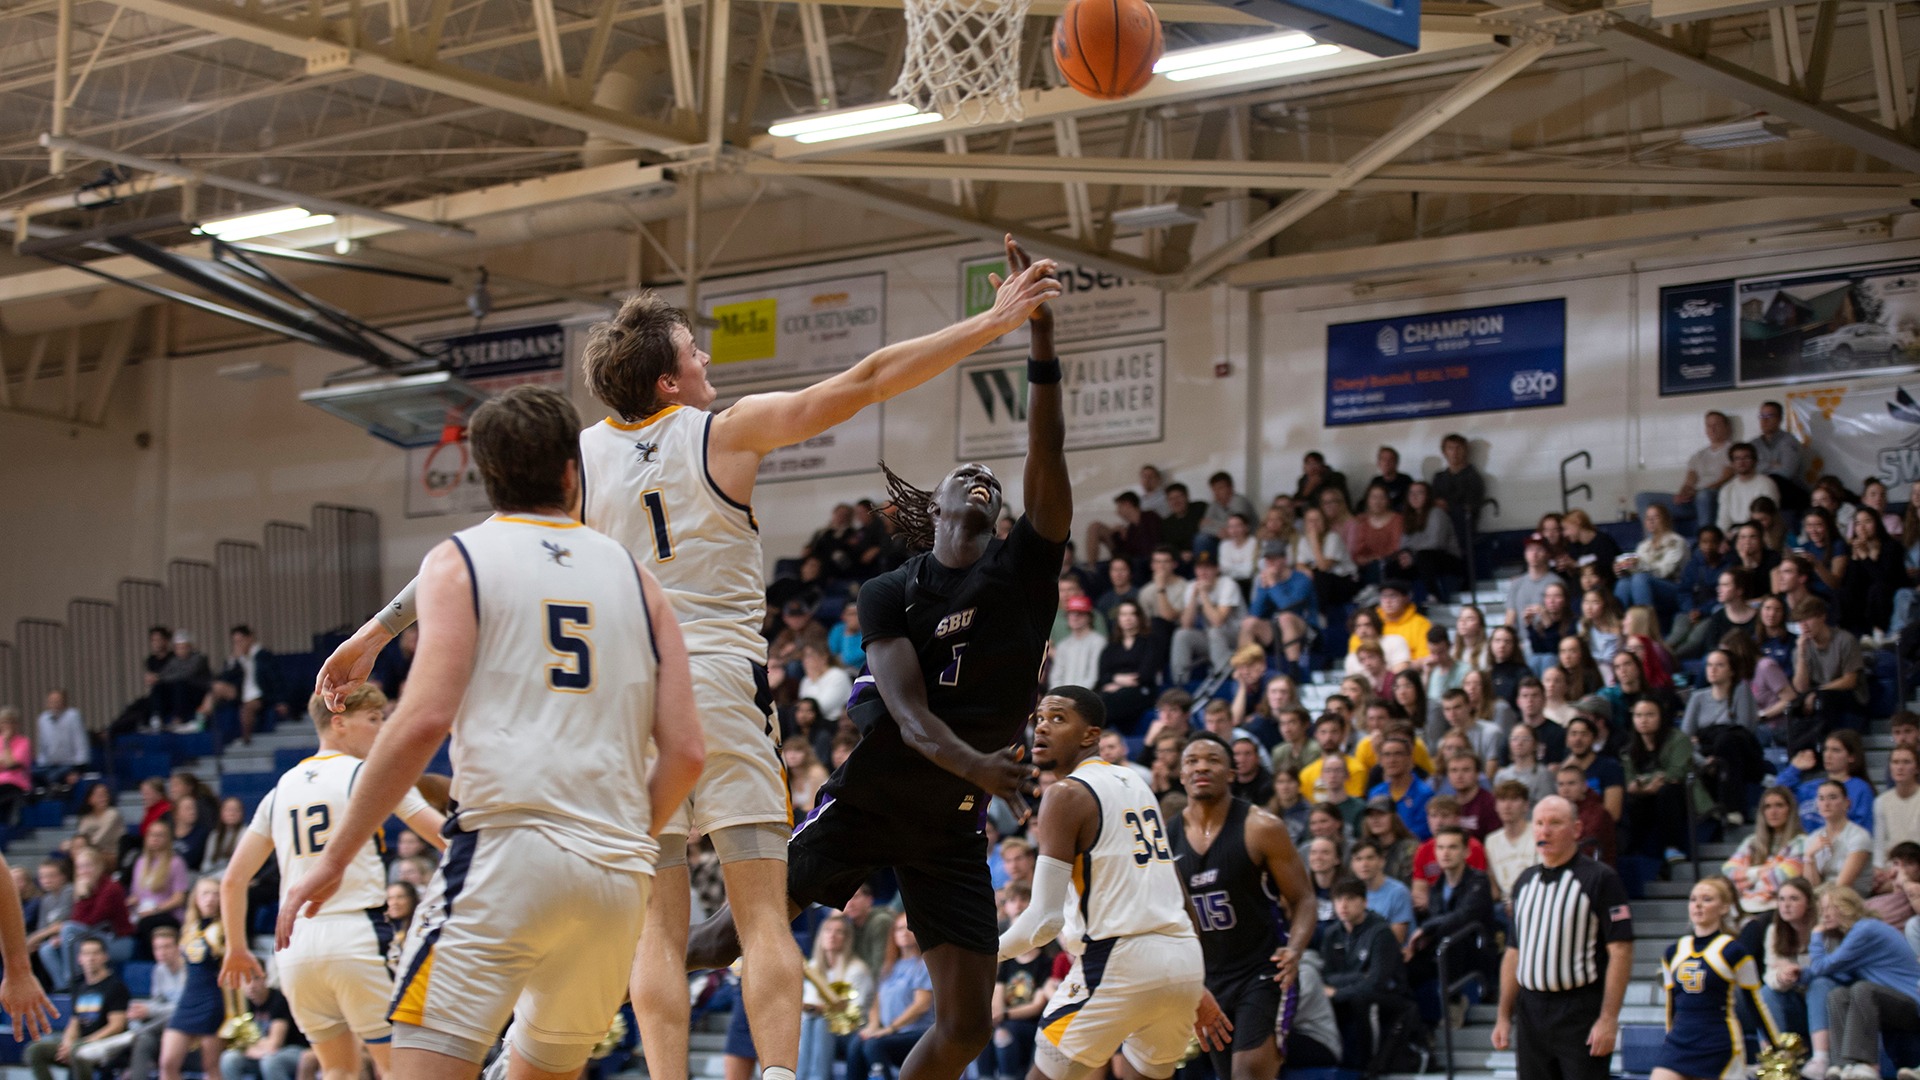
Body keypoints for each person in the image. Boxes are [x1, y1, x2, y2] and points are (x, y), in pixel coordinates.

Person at [315, 243, 1060, 1080]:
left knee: (658, 931)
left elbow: (485, 544)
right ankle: (777, 1074)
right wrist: (994, 321)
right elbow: (868, 379)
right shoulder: (725, 433)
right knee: (762, 915)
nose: (705, 360)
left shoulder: (576, 459)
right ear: (669, 382)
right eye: (692, 352)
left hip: (629, 698)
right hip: (721, 687)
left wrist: (374, 634)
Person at [685, 241, 1068, 1080]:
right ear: (933, 506)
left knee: (965, 1025)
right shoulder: (891, 590)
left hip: (952, 827)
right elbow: (907, 716)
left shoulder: (1026, 572)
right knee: (720, 940)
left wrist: (1039, 339)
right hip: (875, 797)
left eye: (991, 477)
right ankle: (595, 978)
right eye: (962, 473)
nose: (980, 475)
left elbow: (1048, 450)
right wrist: (980, 763)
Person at [283, 385, 707, 1080]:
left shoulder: (460, 558)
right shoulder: (640, 582)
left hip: (505, 856)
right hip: (614, 881)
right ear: (571, 470)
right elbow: (687, 752)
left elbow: (422, 719)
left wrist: (335, 858)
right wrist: (623, 839)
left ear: (485, 475)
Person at [217, 684, 448, 1080]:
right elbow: (444, 837)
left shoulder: (281, 788)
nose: (382, 728)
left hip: (294, 947)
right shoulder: (369, 774)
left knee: (338, 1070)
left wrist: (236, 947)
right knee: (399, 1069)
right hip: (356, 936)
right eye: (373, 719)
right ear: (338, 722)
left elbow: (233, 880)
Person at [996, 688, 1223, 1080]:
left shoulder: (1064, 793)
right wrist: (1192, 981)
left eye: (1058, 718)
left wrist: (984, 954)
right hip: (1182, 957)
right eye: (1040, 719)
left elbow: (1044, 921)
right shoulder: (1134, 781)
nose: (1042, 728)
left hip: (1119, 961)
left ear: (1091, 735)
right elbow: (1173, 884)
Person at [1171, 732, 1315, 1080]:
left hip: (1262, 970)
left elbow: (1304, 898)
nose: (1201, 767)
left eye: (1213, 760)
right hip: (1205, 977)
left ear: (1232, 773)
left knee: (1248, 1071)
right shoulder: (1164, 836)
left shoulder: (1262, 827)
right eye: (1192, 761)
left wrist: (1295, 950)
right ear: (1181, 774)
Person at [1491, 796, 1633, 1080]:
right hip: (1530, 1011)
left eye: (1555, 823)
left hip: (1579, 1010)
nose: (1545, 831)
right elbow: (1513, 952)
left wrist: (1608, 1019)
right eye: (1539, 823)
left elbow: (1621, 950)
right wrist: (1503, 1016)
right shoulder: (1524, 882)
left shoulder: (1601, 878)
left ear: (1576, 829)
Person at [1651, 876, 1781, 1080]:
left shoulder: (1734, 951)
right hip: (1679, 1041)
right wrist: (1669, 1037)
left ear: (1724, 907)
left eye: (1707, 899)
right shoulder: (1673, 952)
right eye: (1693, 899)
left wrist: (1777, 1045)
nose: (1698, 905)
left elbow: (1755, 1002)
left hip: (1718, 1041)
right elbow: (1671, 1004)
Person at [1797, 884, 1920, 1080]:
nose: (1824, 915)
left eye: (1831, 908)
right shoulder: (1853, 934)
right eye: (1822, 910)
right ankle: (1842, 1065)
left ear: (1847, 907)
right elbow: (1838, 975)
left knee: (1863, 989)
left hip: (1912, 1002)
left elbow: (1821, 967)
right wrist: (1797, 975)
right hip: (1890, 1001)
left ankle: (1866, 1064)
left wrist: (1816, 936)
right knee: (1838, 994)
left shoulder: (1865, 929)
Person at [1402, 826, 1495, 1023]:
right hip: (1443, 949)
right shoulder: (1437, 886)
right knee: (1405, 965)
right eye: (1441, 847)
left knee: (1450, 937)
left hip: (1474, 950)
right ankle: (1413, 1025)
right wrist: (1416, 945)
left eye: (1452, 847)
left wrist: (1425, 929)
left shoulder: (1479, 881)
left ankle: (1454, 1003)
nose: (1445, 853)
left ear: (1466, 852)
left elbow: (1464, 916)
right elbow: (1438, 921)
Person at [1319, 878, 1413, 1069]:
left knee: (1361, 999)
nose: (1343, 905)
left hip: (1389, 997)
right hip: (1354, 992)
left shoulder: (1381, 932)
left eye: (1350, 899)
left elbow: (1378, 981)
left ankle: (1369, 1065)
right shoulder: (1332, 933)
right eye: (1338, 899)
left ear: (1364, 902)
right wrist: (1360, 976)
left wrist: (1338, 992)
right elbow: (1326, 976)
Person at [1621, 699, 1710, 865]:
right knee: (1631, 800)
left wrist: (1642, 782)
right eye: (1638, 715)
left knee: (1667, 791)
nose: (1643, 720)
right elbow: (1629, 782)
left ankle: (1672, 847)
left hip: (1683, 796)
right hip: (1647, 797)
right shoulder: (1629, 748)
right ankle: (1636, 853)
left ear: (1661, 717)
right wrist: (1646, 788)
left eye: (1650, 715)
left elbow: (1676, 773)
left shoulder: (1678, 739)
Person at [848, 914, 935, 1080]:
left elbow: (921, 1005)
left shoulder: (924, 964)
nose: (904, 932)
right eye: (899, 928)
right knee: (858, 1041)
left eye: (909, 928)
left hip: (918, 1033)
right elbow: (876, 1001)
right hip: (892, 1033)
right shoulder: (889, 966)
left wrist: (890, 1029)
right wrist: (873, 1026)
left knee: (873, 1045)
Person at [25, 936, 125, 1080]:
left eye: (95, 953)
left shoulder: (116, 986)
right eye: (86, 953)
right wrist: (67, 1043)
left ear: (105, 957)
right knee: (35, 1051)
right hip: (79, 1044)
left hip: (104, 1045)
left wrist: (83, 1042)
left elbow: (117, 1026)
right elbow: (75, 1022)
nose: (91, 958)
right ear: (80, 958)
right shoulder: (80, 987)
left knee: (78, 1051)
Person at [159, 878, 225, 1080]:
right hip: (189, 996)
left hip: (212, 997)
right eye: (205, 894)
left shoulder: (226, 928)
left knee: (210, 1065)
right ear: (196, 898)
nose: (210, 899)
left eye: (215, 894)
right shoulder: (189, 928)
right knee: (168, 1062)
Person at [799, 915, 873, 1080]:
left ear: (847, 938)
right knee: (809, 1022)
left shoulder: (857, 969)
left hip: (851, 1030)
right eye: (828, 930)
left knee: (822, 1021)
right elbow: (809, 1004)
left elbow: (854, 1012)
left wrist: (819, 1008)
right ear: (821, 936)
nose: (832, 935)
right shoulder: (814, 966)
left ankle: (818, 1077)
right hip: (815, 1025)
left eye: (839, 932)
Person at [1640, 410, 1733, 532]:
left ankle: (1705, 538)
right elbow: (1689, 481)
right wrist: (1683, 493)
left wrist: (1698, 492)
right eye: (1709, 425)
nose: (1712, 429)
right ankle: (1653, 540)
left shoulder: (1732, 451)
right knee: (1643, 498)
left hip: (1714, 499)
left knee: (1704, 495)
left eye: (1716, 425)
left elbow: (1725, 479)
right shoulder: (1698, 455)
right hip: (1693, 500)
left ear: (1726, 427)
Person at [1722, 787, 1805, 915]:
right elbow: (1728, 872)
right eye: (1767, 807)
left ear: (1790, 809)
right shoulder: (1751, 842)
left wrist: (1746, 877)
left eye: (1779, 805)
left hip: (1778, 908)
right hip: (1745, 906)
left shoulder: (1801, 842)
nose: (1773, 812)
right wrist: (1759, 872)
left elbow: (1781, 878)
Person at [216, 971, 309, 1080]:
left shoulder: (278, 999)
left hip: (293, 1050)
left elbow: (274, 1045)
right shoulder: (245, 1004)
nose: (251, 985)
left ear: (265, 978)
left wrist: (247, 1048)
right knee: (229, 1058)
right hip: (259, 1052)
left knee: (270, 1061)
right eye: (246, 980)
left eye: (256, 978)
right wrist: (248, 1048)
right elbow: (237, 1041)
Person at [1170, 554, 1241, 686]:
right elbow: (1186, 624)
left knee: (1215, 631)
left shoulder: (1227, 584)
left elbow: (1218, 622)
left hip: (1236, 637)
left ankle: (1223, 679)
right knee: (1181, 634)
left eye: (1208, 567)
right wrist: (1193, 596)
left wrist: (1203, 594)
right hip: (1212, 638)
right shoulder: (1192, 586)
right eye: (1199, 568)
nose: (1203, 572)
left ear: (1217, 569)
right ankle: (1179, 683)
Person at [1761, 878, 1816, 1042]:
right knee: (1766, 992)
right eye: (1781, 899)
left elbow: (1826, 968)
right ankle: (1773, 1051)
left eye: (1794, 899)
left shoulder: (1820, 929)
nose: (1786, 905)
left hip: (1819, 997)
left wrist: (1797, 969)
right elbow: (1770, 974)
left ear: (1809, 903)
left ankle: (1821, 1052)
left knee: (1820, 986)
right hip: (1793, 997)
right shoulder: (1774, 931)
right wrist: (1782, 977)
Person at [1801, 781, 1872, 892]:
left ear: (1847, 803)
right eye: (1821, 798)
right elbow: (1811, 888)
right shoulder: (1813, 838)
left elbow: (1842, 886)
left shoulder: (1859, 836)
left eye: (1832, 797)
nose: (1826, 804)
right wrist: (1809, 856)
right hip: (1822, 897)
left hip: (1851, 897)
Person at [1483, 782, 1538, 904]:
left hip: (1534, 900)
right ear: (1496, 806)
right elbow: (1493, 881)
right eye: (1502, 800)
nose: (1507, 806)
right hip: (1504, 904)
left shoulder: (1538, 834)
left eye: (1514, 799)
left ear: (1526, 806)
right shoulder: (1491, 841)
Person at [34, 690, 88, 791]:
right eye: (51, 701)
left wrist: (78, 769)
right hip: (49, 765)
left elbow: (80, 743)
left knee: (53, 776)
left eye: (57, 701)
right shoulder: (43, 719)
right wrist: (41, 764)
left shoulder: (73, 716)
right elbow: (42, 745)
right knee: (33, 774)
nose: (54, 704)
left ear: (64, 702)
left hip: (69, 764)